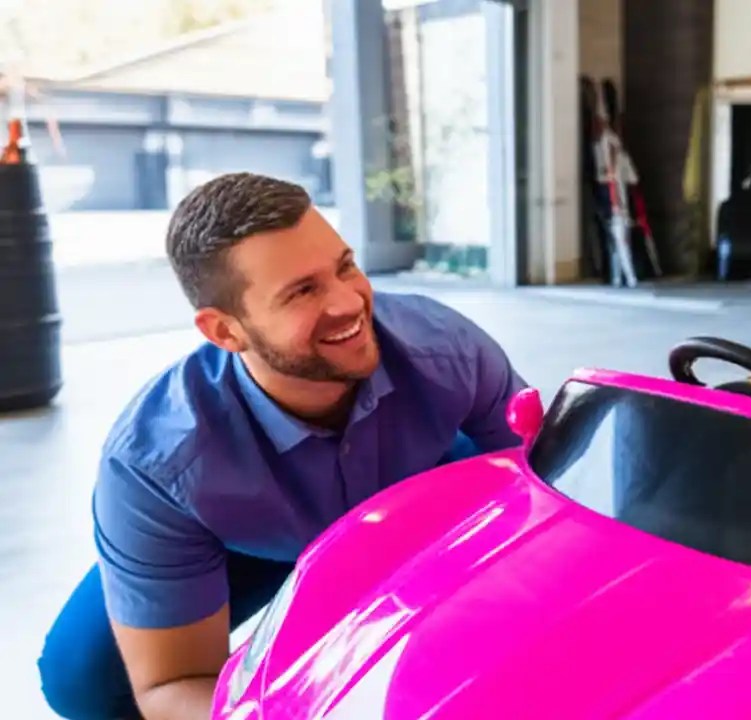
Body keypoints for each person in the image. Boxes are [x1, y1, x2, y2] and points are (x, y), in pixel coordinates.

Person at [37, 172, 528, 720]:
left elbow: (555, 495)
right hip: (251, 546)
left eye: (344, 266)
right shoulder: (157, 465)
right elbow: (174, 682)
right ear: (225, 332)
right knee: (83, 679)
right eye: (302, 291)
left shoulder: (448, 350)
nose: (349, 302)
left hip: (415, 500)